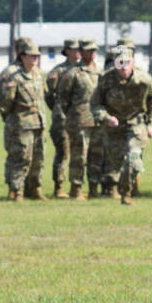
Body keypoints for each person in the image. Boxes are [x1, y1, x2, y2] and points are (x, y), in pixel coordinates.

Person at [90, 47, 152, 204]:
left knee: (132, 158)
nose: (124, 67)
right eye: (120, 63)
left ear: (132, 62)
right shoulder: (106, 80)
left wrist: (150, 123)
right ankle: (113, 188)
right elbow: (95, 105)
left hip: (136, 125)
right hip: (114, 127)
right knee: (115, 163)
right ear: (114, 64)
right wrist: (106, 118)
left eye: (127, 63)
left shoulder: (144, 80)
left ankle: (126, 193)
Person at [0, 37, 47, 201]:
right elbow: (4, 102)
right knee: (20, 158)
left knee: (38, 158)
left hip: (38, 123)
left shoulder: (37, 74)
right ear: (22, 56)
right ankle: (16, 190)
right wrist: (13, 119)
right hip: (20, 123)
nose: (35, 59)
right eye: (32, 56)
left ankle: (34, 188)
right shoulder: (11, 74)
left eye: (37, 56)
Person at [55, 38, 100, 200]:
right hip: (78, 121)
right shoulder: (72, 73)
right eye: (89, 50)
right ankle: (76, 188)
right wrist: (73, 114)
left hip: (97, 120)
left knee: (96, 155)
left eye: (94, 50)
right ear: (81, 52)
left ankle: (94, 188)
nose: (92, 54)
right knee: (79, 156)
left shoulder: (98, 71)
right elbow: (62, 98)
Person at [46, 38, 79, 197]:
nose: (77, 52)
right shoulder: (58, 71)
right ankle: (59, 186)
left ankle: (76, 186)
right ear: (66, 51)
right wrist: (58, 111)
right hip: (63, 119)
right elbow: (49, 96)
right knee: (63, 153)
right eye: (74, 49)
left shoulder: (83, 70)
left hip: (79, 118)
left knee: (79, 153)